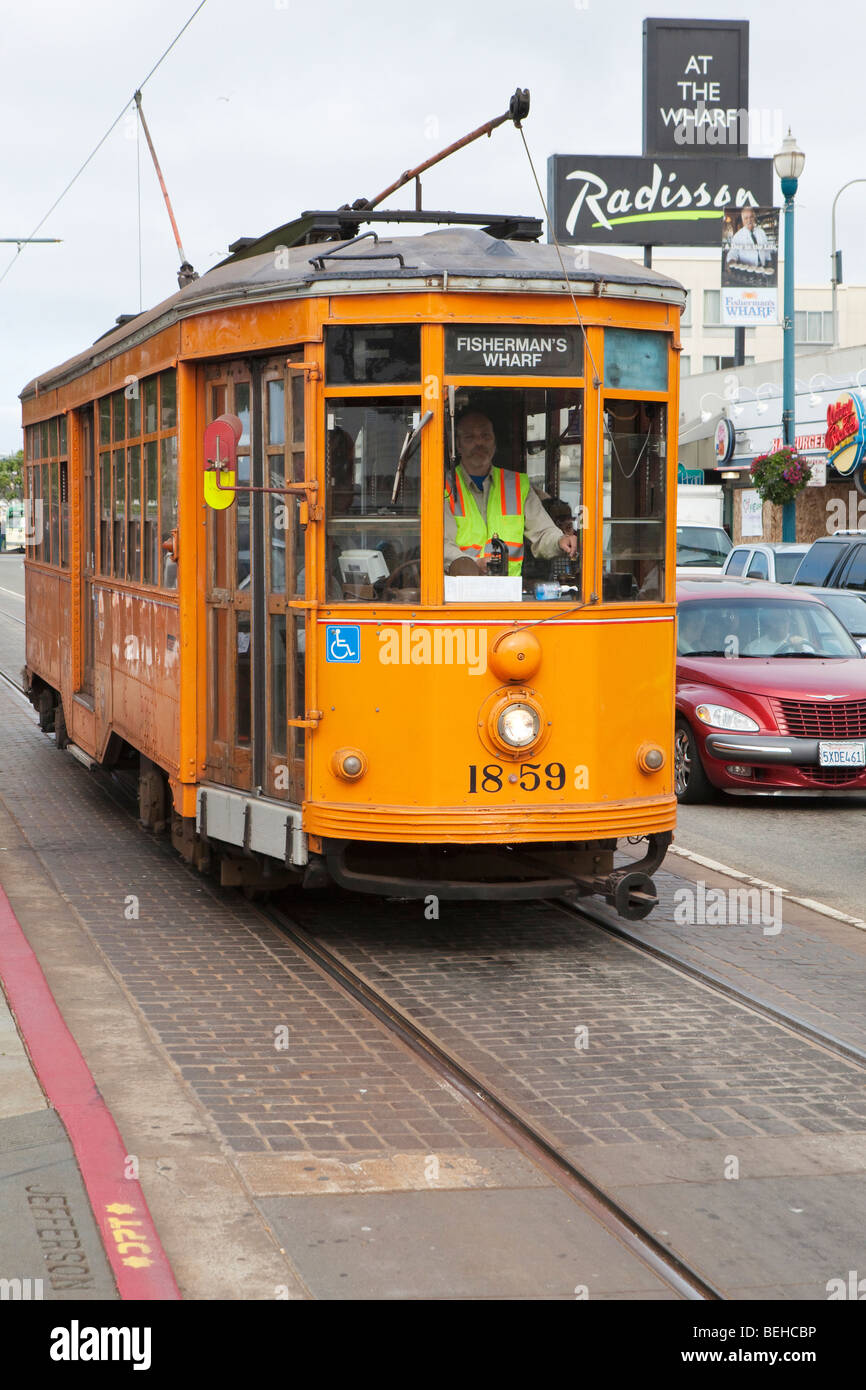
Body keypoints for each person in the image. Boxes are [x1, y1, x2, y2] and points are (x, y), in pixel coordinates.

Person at [444, 411, 578, 576]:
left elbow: (543, 532)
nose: (479, 443)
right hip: (458, 589)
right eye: (469, 437)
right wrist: (473, 564)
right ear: (458, 446)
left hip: (508, 590)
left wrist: (560, 540)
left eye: (486, 436)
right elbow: (440, 544)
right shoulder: (443, 487)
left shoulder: (517, 485)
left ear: (494, 444)